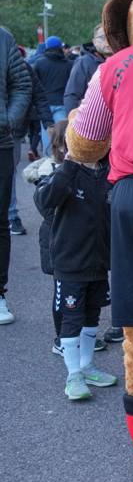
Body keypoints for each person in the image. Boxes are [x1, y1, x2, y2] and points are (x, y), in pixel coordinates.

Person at [34, 122, 117, 400]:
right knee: (72, 318)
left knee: (92, 315)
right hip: (70, 265)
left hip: (98, 262)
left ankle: (87, 365)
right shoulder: (64, 175)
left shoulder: (106, 174)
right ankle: (73, 375)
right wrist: (69, 165)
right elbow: (46, 200)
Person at [0, 26, 33, 325]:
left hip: (0, 141)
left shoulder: (4, 37)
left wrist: (8, 120)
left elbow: (22, 84)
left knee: (0, 221)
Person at [10, 52, 55, 236]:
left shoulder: (23, 67)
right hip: (14, 128)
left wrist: (48, 123)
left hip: (12, 131)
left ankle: (11, 216)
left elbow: (39, 95)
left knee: (7, 174)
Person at [32, 36, 74, 156]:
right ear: (60, 47)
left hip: (44, 105)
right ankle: (61, 160)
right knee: (62, 134)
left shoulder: (39, 63)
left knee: (47, 135)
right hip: (62, 103)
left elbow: (34, 85)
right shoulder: (69, 64)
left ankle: (48, 161)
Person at [63, 25, 112, 113]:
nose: (107, 41)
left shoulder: (124, 60)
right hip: (92, 119)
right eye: (102, 37)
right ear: (94, 41)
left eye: (110, 36)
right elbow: (72, 95)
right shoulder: (84, 62)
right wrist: (73, 121)